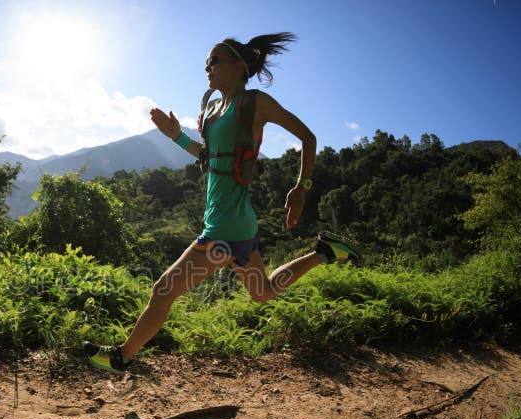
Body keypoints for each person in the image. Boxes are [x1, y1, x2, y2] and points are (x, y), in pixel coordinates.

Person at [84, 32, 360, 374]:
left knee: (163, 290)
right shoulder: (214, 109)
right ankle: (325, 252)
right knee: (263, 292)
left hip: (225, 230)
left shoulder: (255, 102)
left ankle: (121, 357)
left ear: (238, 66)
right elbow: (209, 157)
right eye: (206, 62)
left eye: (213, 61)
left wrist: (301, 188)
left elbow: (308, 137)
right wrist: (177, 136)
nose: (207, 67)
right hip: (240, 224)